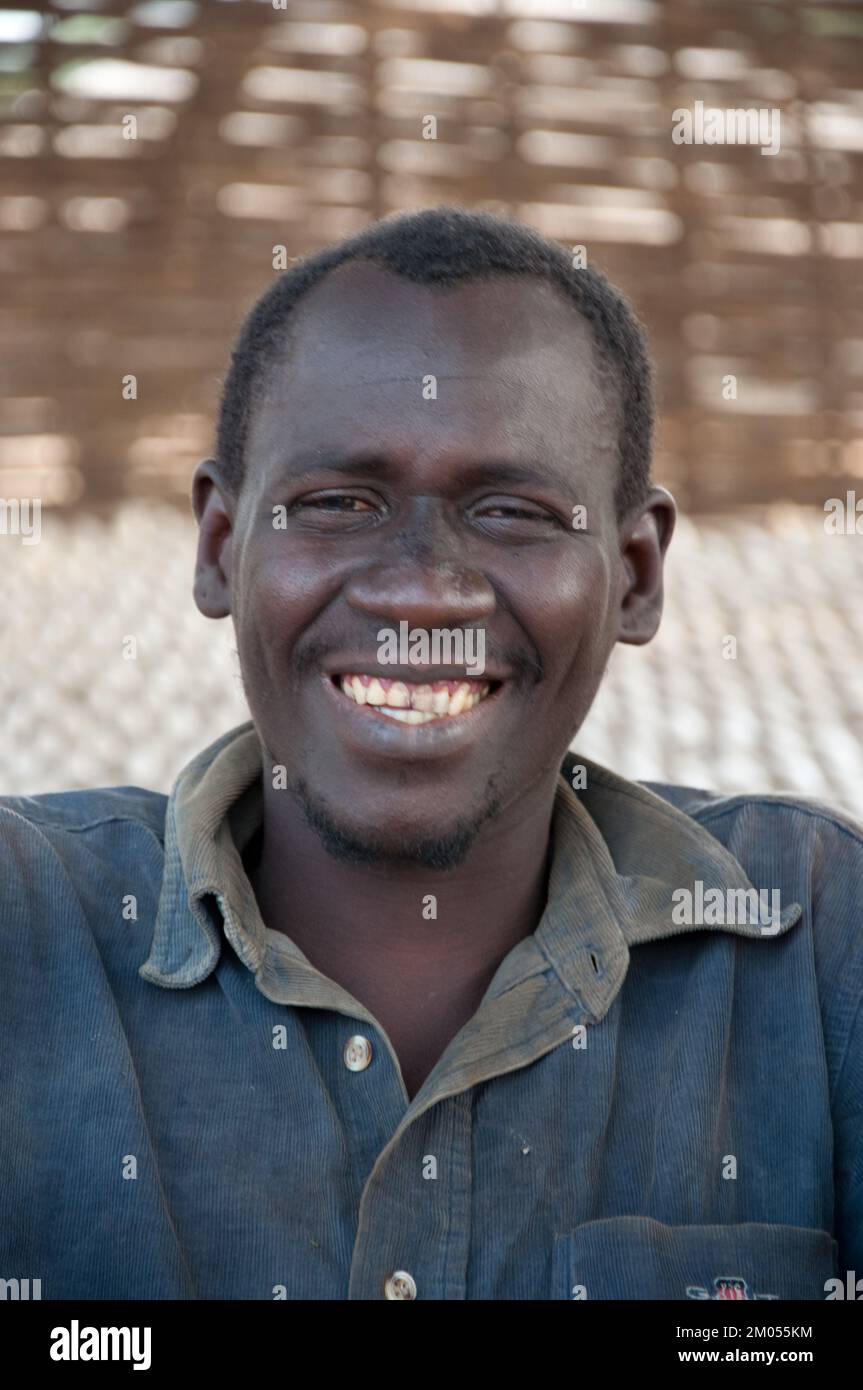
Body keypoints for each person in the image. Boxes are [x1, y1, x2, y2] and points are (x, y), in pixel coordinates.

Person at [1, 207, 860, 1301]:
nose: (418, 592)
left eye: (510, 512)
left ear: (635, 574)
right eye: (337, 504)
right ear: (221, 547)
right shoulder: (24, 936)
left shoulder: (817, 948)